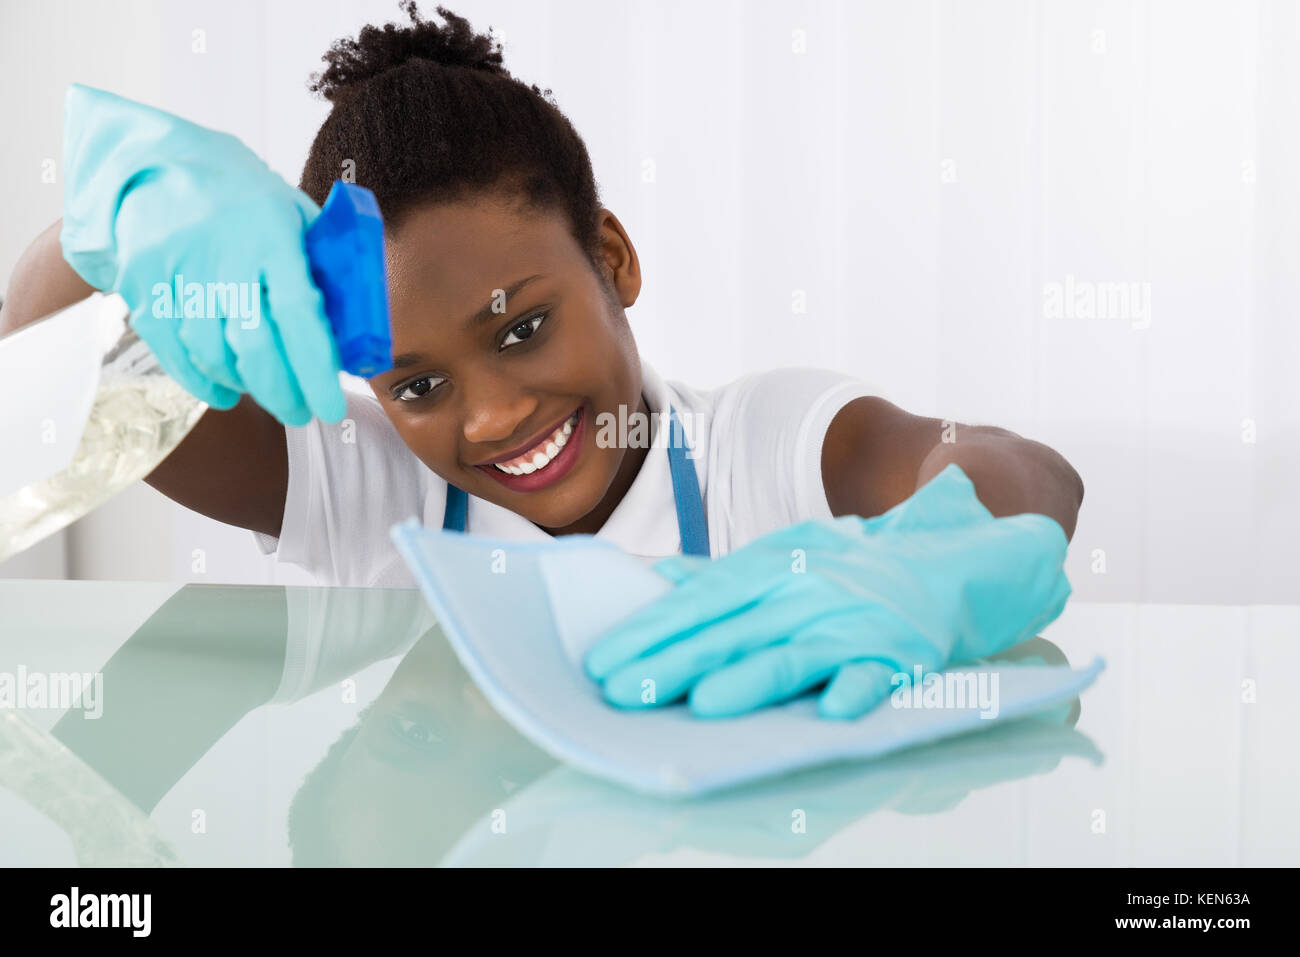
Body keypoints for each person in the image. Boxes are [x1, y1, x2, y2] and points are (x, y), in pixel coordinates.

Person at [0, 3, 1083, 718]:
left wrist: (931, 564)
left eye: (520, 327)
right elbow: (55, 402)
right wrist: (102, 232)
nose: (489, 417)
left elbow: (1017, 470)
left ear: (610, 256)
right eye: (418, 385)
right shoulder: (366, 488)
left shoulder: (758, 446)